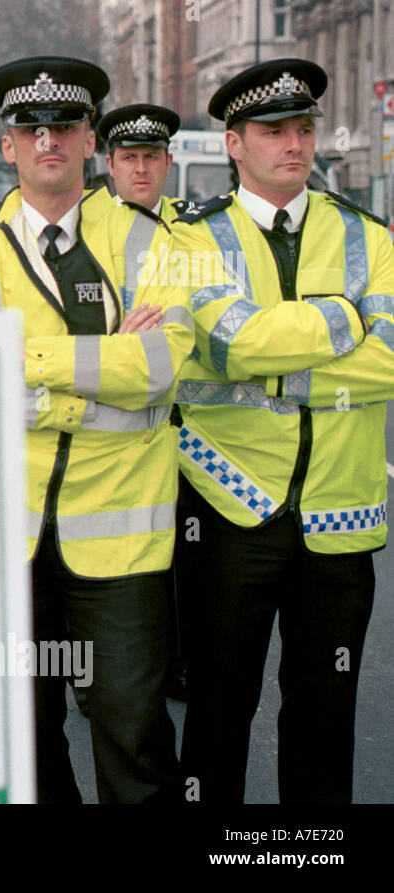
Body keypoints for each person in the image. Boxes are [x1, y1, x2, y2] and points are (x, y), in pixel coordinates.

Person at [0, 56, 189, 804]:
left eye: (65, 127)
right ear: (7, 145)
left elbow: (161, 363)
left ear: (88, 140)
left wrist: (23, 355)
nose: (48, 141)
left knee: (134, 730)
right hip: (7, 535)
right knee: (22, 733)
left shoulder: (149, 238)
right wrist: (104, 358)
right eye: (30, 129)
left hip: (123, 538)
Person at [171, 59, 394, 803]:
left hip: (340, 514)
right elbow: (226, 342)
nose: (294, 144)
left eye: (304, 128)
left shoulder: (369, 234)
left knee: (327, 716)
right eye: (273, 131)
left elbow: (390, 360)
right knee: (218, 709)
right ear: (233, 143)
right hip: (231, 505)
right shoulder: (191, 239)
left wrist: (268, 367)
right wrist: (346, 319)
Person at [96, 103, 188, 223]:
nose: (141, 169)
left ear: (168, 163)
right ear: (110, 165)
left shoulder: (191, 228)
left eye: (151, 157)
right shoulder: (90, 226)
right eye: (129, 158)